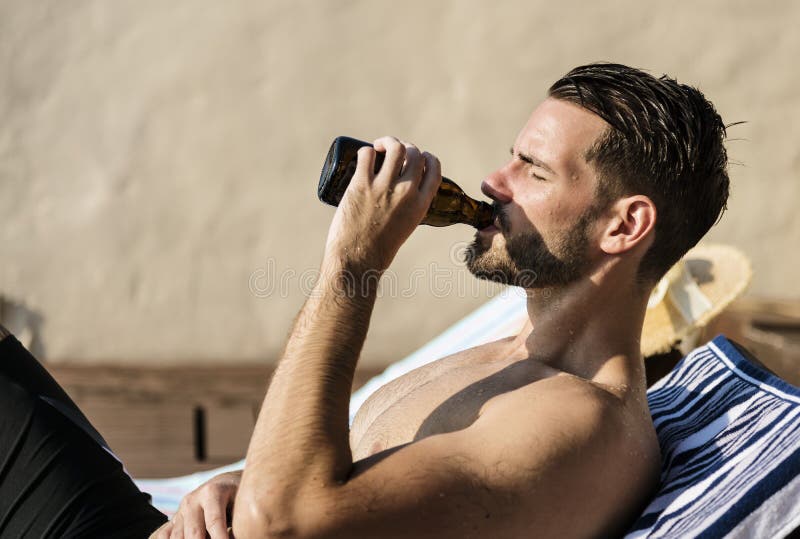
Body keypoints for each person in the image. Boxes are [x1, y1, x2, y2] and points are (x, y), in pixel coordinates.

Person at [152, 62, 733, 538]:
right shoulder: (505, 362)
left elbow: (284, 521)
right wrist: (237, 486)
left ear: (624, 226)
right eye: (511, 157)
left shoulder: (576, 422)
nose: (492, 182)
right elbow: (316, 490)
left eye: (533, 171)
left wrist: (353, 265)